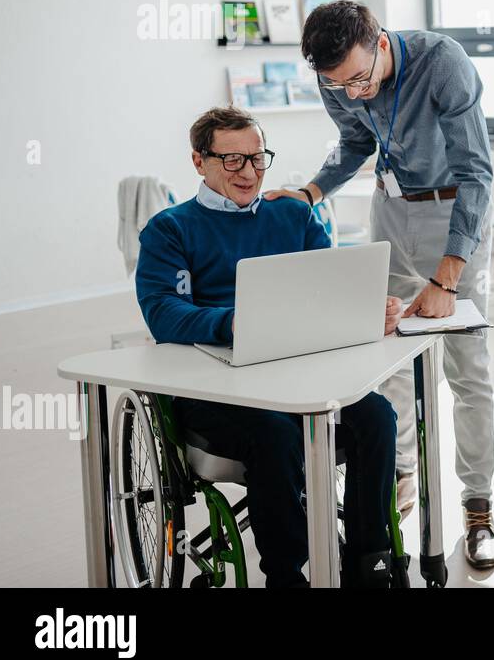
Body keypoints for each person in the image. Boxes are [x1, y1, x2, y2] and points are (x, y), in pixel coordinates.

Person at [263, 1, 494, 569]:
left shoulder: (443, 63)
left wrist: (448, 276)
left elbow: (477, 173)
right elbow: (355, 145)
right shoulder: (338, 79)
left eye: (359, 78)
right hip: (391, 213)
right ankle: (397, 479)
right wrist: (313, 192)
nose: (352, 93)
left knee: (467, 366)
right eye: (336, 84)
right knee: (386, 355)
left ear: (380, 40)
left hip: (456, 215)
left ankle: (478, 504)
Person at [135, 106, 401, 587]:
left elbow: (332, 285)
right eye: (233, 160)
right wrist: (236, 323)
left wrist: (366, 309)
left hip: (298, 374)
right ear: (200, 161)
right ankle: (287, 574)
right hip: (215, 387)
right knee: (274, 431)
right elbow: (163, 313)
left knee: (377, 416)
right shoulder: (169, 229)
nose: (250, 173)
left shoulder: (293, 214)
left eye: (258, 159)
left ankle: (368, 560)